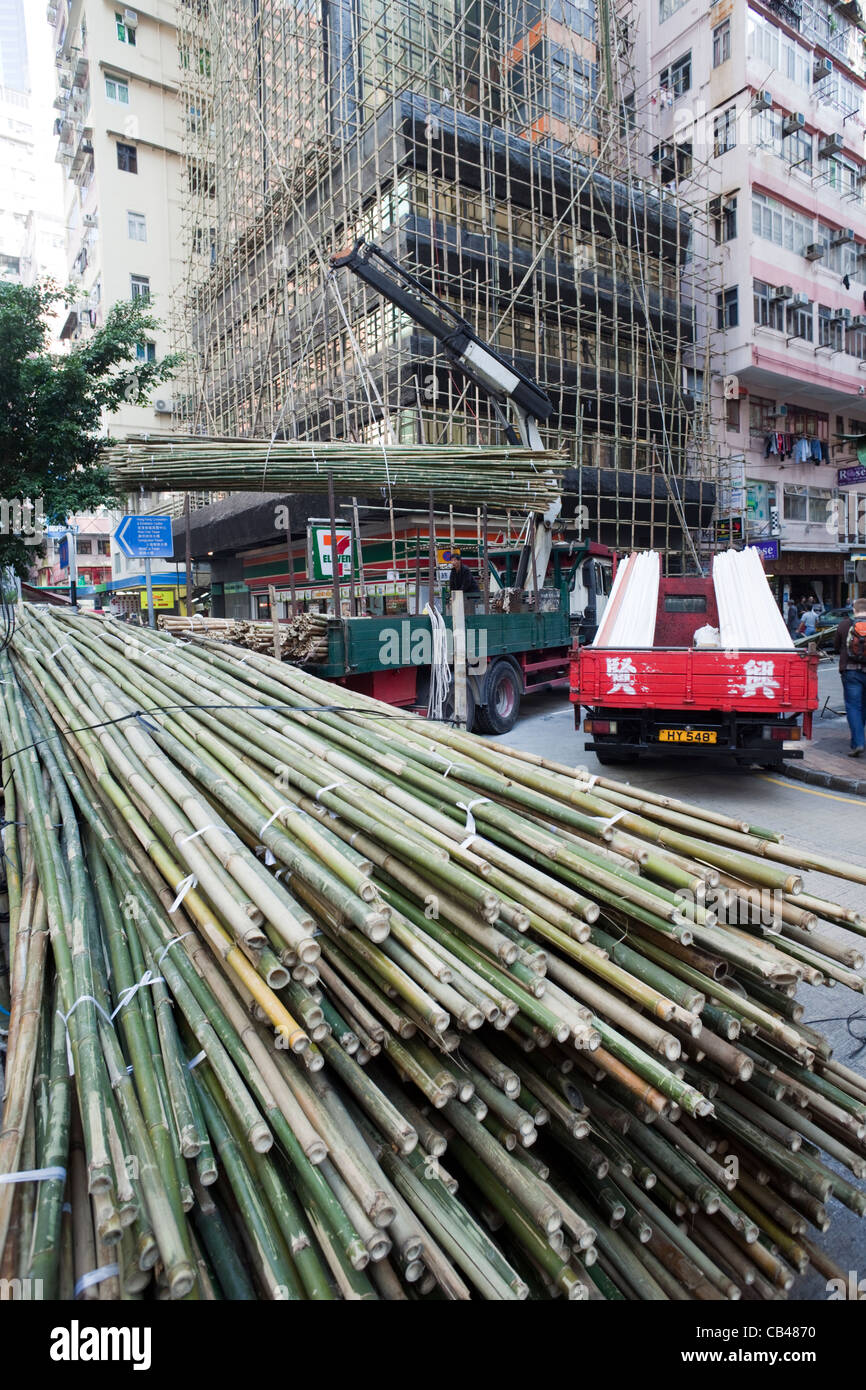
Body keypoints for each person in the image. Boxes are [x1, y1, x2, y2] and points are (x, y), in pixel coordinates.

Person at [835, 596, 866, 757]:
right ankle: (858, 738)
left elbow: (836, 645)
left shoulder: (845, 624)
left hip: (850, 671)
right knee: (863, 707)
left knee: (853, 707)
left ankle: (858, 742)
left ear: (854, 610)